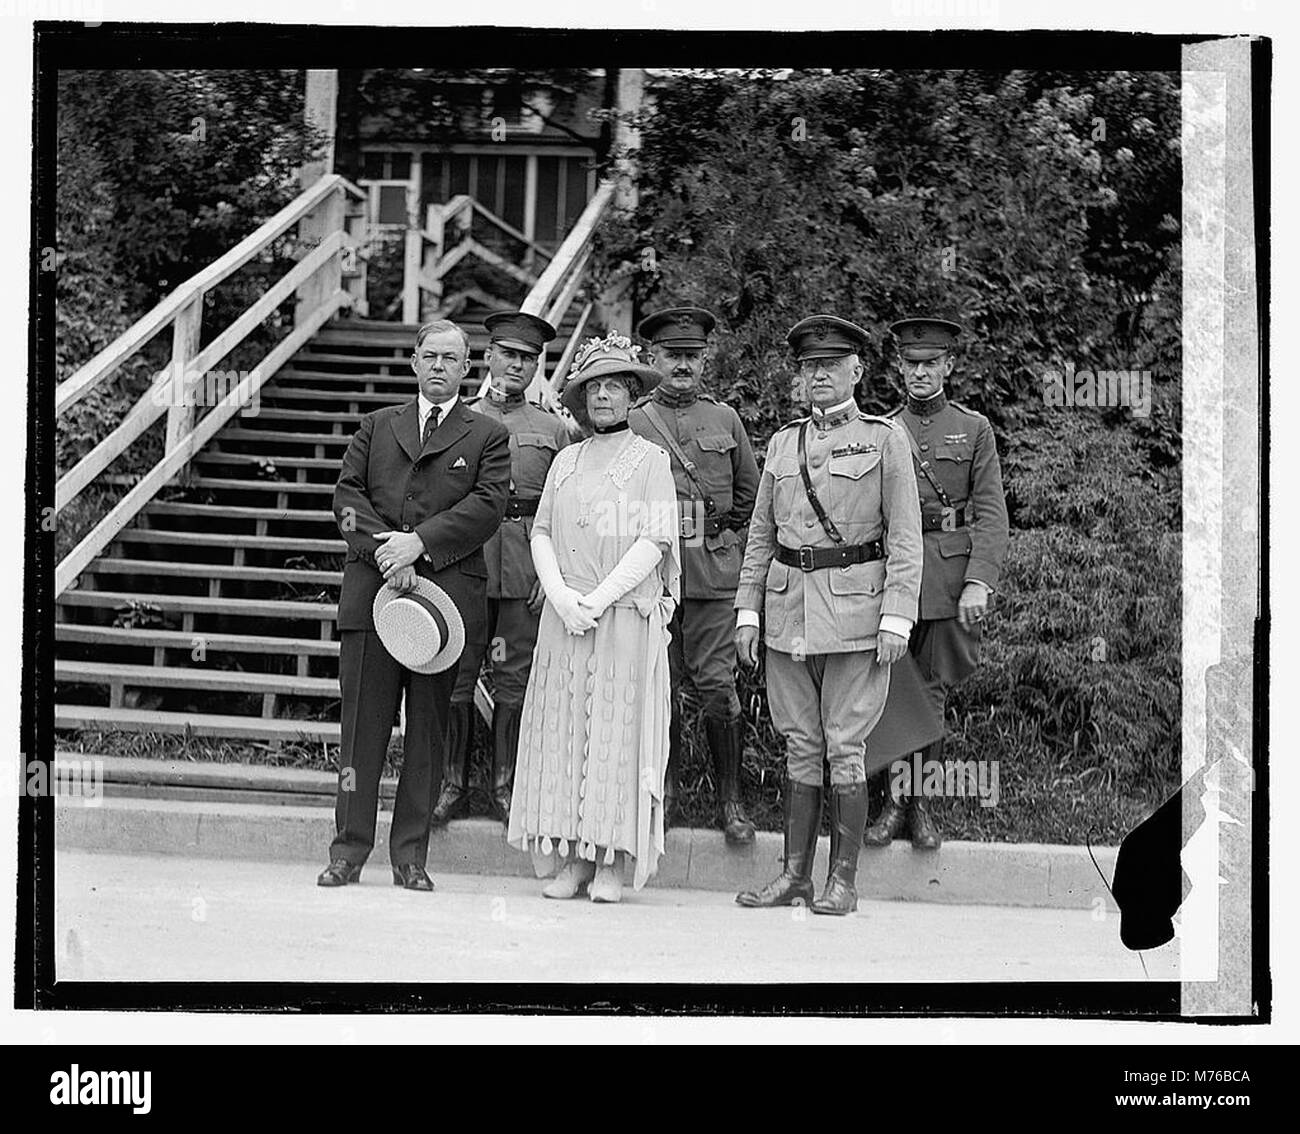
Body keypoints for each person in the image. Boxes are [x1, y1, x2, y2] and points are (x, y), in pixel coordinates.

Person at [733, 315, 923, 915]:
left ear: (856, 371)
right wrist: (747, 610)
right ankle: (795, 876)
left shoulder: (885, 439)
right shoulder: (783, 442)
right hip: (788, 614)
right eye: (809, 366)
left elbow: (906, 537)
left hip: (856, 619)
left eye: (830, 366)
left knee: (845, 747)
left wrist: (897, 616)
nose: (818, 375)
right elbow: (762, 534)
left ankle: (843, 880)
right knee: (798, 745)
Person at [319, 320, 511, 890]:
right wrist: (388, 551)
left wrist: (420, 543)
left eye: (451, 358)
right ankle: (348, 851)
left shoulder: (486, 435)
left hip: (444, 607)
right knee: (361, 732)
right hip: (372, 597)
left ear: (466, 367)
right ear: (413, 362)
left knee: (427, 731)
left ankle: (410, 857)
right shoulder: (377, 427)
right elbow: (346, 496)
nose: (438, 366)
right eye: (429, 356)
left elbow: (487, 506)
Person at [507, 330, 681, 904]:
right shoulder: (566, 459)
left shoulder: (650, 460)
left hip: (621, 615)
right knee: (565, 734)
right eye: (593, 388)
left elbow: (655, 541)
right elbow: (543, 531)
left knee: (616, 733)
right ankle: (573, 858)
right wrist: (559, 596)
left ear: (631, 394)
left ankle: (610, 860)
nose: (603, 397)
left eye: (614, 386)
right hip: (567, 616)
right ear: (580, 399)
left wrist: (598, 599)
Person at [862, 317, 1009, 850]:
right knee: (894, 691)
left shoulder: (973, 430)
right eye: (910, 364)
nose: (920, 373)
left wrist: (979, 582)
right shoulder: (882, 430)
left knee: (932, 693)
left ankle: (918, 806)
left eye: (931, 364)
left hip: (949, 580)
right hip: (896, 578)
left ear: (949, 366)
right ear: (898, 367)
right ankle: (892, 805)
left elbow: (991, 513)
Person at [434, 311, 573, 826]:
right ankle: (453, 785)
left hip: (524, 571)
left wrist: (550, 571)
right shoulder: (459, 419)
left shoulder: (554, 430)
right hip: (465, 568)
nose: (516, 365)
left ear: (537, 366)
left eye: (527, 359)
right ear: (488, 357)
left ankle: (505, 787)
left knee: (514, 683)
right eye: (507, 355)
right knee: (457, 678)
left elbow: (564, 508)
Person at [627, 307, 760, 843]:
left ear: (704, 359)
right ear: (652, 359)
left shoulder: (724, 419)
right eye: (671, 355)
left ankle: (730, 801)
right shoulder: (633, 421)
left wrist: (722, 535)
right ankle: (666, 794)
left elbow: (752, 494)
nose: (681, 365)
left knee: (716, 686)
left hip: (711, 577)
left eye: (691, 356)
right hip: (651, 575)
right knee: (658, 685)